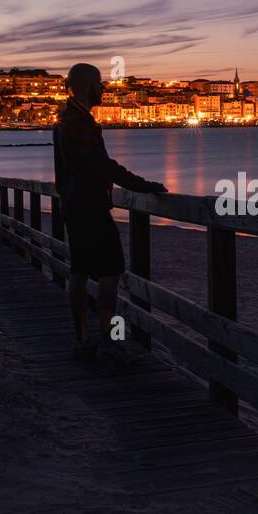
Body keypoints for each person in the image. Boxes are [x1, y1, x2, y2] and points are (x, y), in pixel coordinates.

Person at [53, 63, 167, 361]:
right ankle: (108, 340)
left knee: (79, 271)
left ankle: (82, 340)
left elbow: (62, 173)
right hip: (90, 206)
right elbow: (103, 165)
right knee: (110, 272)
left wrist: (66, 196)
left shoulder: (66, 120)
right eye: (100, 84)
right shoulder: (79, 123)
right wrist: (142, 185)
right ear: (88, 86)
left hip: (73, 205)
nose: (103, 89)